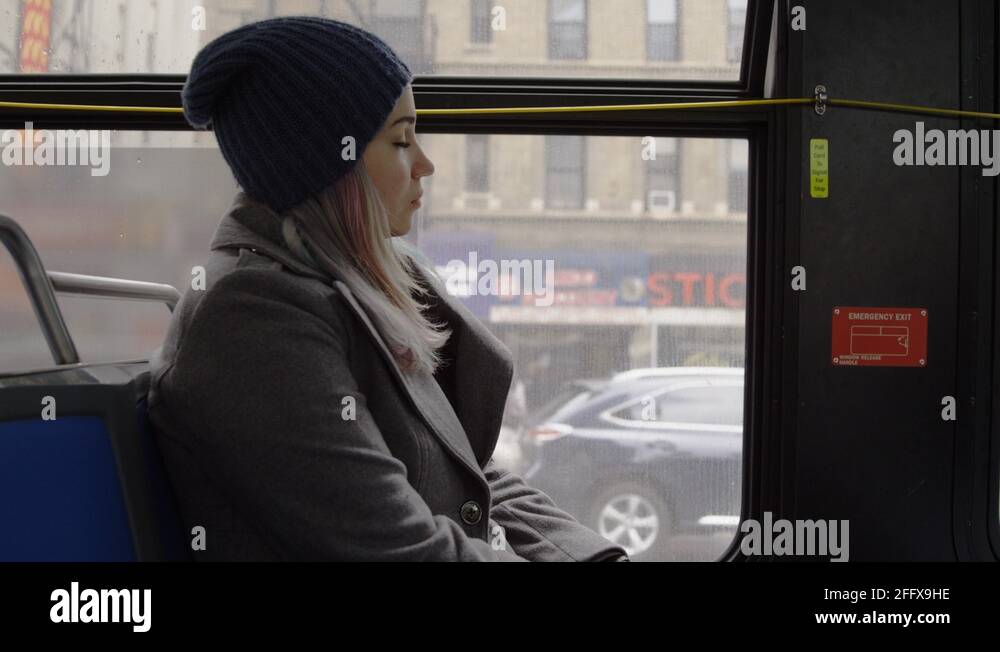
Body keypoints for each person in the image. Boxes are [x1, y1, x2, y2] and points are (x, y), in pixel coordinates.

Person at [147, 15, 628, 562]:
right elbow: (399, 549)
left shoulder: (357, 285)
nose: (425, 163)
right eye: (401, 140)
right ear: (331, 165)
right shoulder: (252, 320)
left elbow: (470, 477)